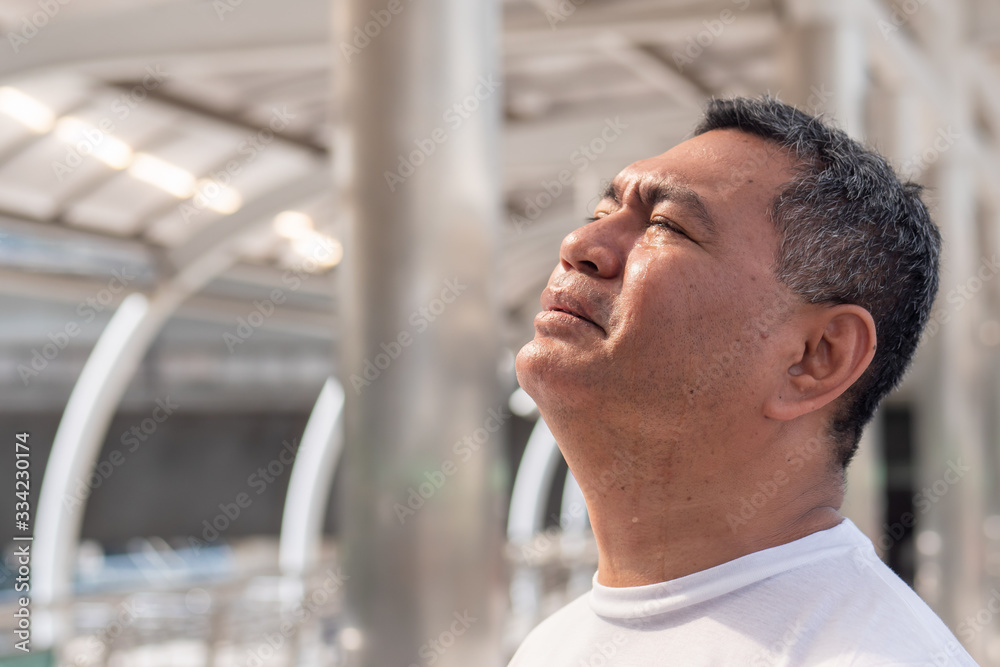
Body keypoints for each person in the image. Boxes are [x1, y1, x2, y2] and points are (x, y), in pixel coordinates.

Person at [509, 97, 978, 665]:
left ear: (816, 357)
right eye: (599, 214)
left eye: (665, 225)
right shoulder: (553, 644)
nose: (578, 247)